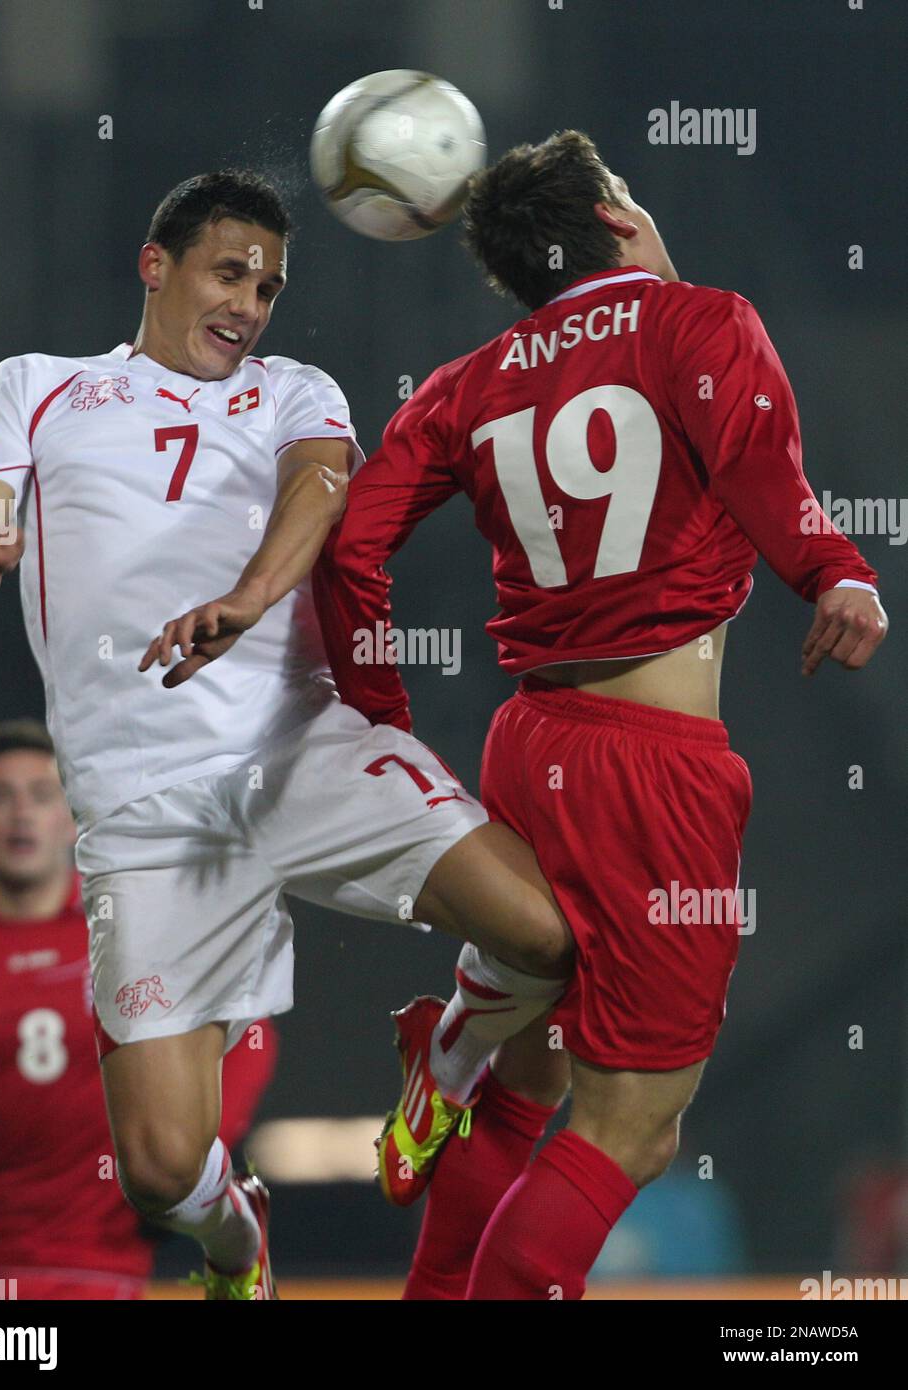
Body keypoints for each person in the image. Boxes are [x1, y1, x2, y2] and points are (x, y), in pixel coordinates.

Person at [0, 170, 574, 1299]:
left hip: (301, 746)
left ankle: (449, 1054)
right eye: (230, 273)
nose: (251, 304)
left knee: (543, 934)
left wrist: (249, 595)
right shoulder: (36, 388)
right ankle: (240, 1240)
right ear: (155, 264)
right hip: (142, 808)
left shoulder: (292, 389)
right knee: (162, 1171)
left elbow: (320, 490)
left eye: (270, 286)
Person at [311, 130, 888, 1299]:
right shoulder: (699, 320)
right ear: (618, 217)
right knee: (635, 1127)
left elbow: (352, 543)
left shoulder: (465, 383)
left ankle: (459, 1060)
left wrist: (378, 706)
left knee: (527, 1083)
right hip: (653, 771)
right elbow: (758, 455)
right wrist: (832, 568)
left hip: (527, 747)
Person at [0, 720, 276, 1300]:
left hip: (101, 1268)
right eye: (0, 798)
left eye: (42, 794)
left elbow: (246, 1031)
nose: (21, 814)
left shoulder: (127, 937)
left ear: (71, 816)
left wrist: (191, 1154)